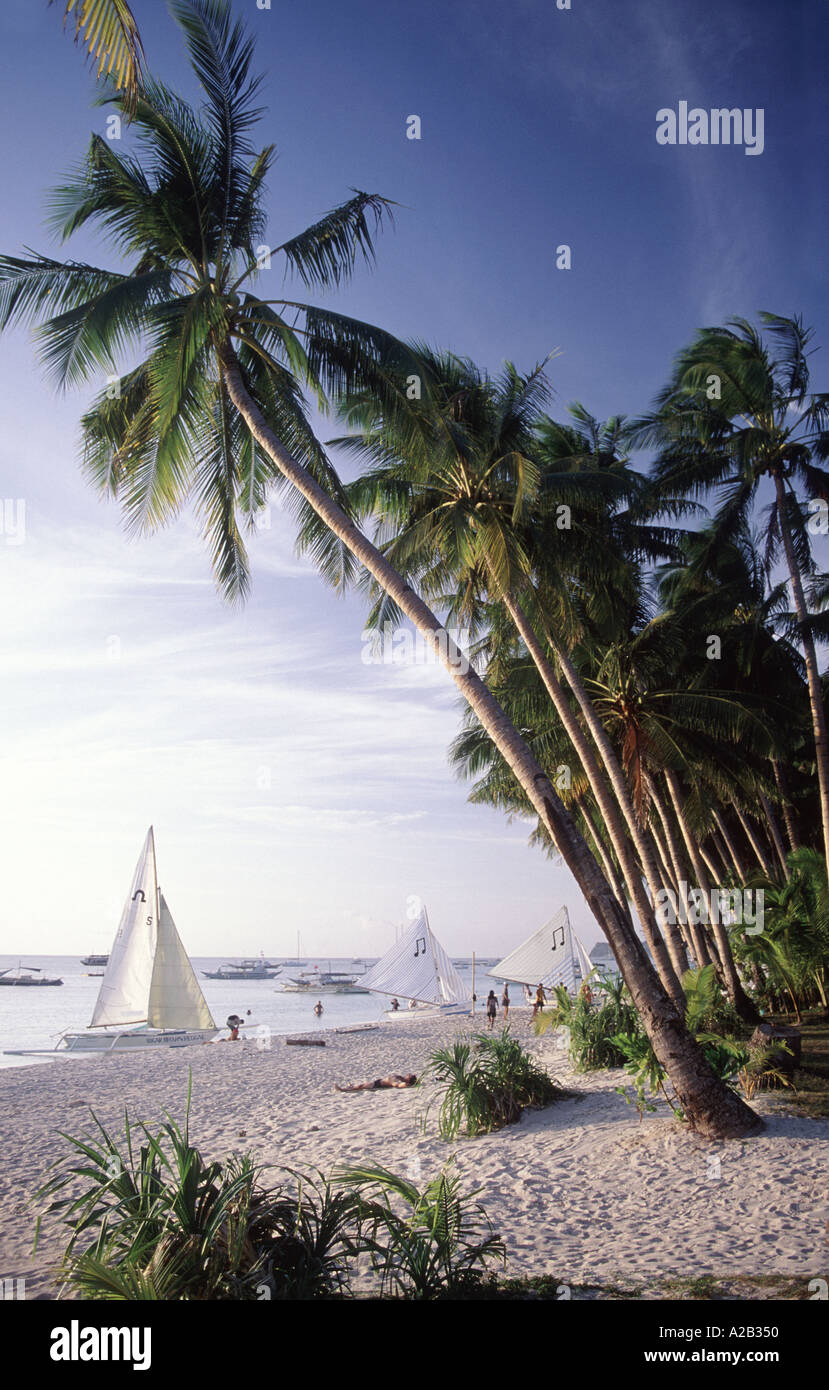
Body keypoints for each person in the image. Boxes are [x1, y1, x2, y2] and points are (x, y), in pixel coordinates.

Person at [336, 1073, 417, 1092]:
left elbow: (398, 1086)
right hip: (378, 1081)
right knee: (362, 1085)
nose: (407, 1075)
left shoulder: (397, 1082)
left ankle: (344, 1089)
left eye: (408, 1076)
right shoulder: (401, 1078)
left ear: (408, 1080)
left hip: (377, 1084)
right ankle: (351, 1087)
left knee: (361, 1086)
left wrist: (407, 1084)